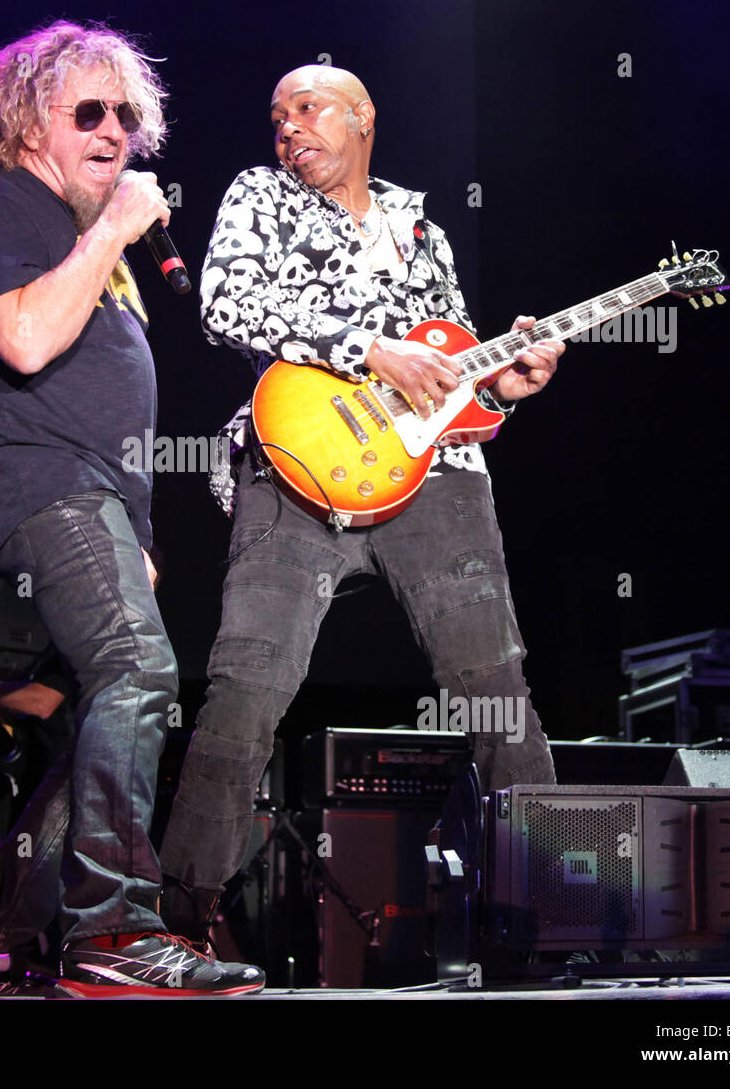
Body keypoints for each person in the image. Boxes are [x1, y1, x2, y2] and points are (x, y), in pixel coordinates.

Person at [159, 65, 565, 944]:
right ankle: (176, 925)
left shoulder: (426, 232)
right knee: (246, 686)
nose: (288, 130)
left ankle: (551, 915)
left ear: (363, 118)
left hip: (437, 475)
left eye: (307, 110)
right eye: (276, 118)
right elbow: (226, 304)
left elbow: (454, 378)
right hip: (298, 462)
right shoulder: (261, 195)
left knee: (496, 690)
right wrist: (371, 350)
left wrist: (505, 389)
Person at [0, 20, 263, 997]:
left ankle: (21, 938)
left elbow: (103, 391)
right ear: (26, 120)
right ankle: (112, 934)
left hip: (96, 502)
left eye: (126, 112)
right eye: (88, 110)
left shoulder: (85, 238)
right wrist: (114, 229)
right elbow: (26, 341)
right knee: (138, 668)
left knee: (97, 717)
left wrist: (141, 532)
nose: (114, 128)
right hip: (41, 489)